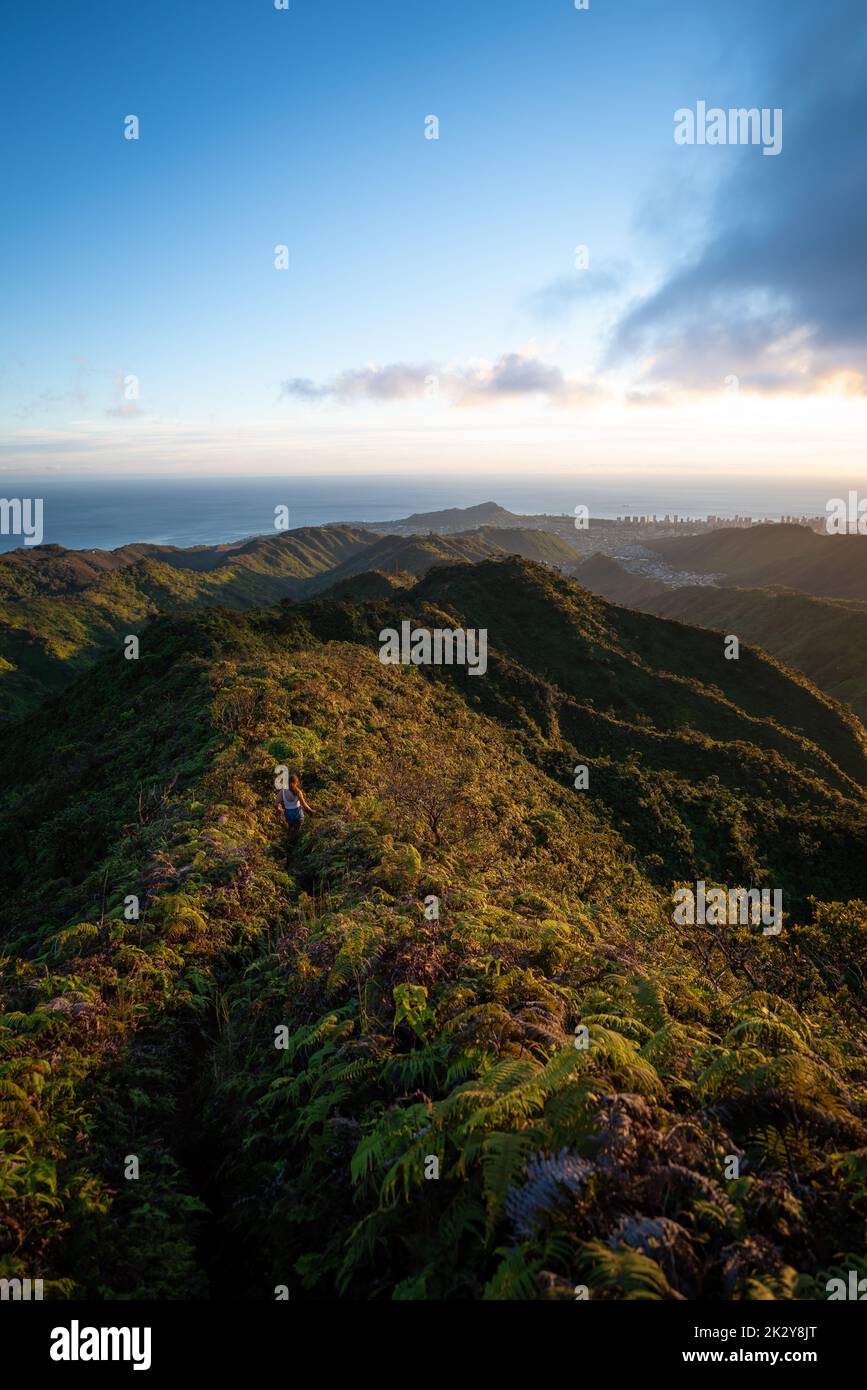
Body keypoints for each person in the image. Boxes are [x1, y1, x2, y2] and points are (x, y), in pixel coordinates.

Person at [276, 772, 314, 843]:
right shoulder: (298, 792)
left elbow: (276, 803)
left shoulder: (282, 792)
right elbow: (304, 804)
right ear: (296, 782)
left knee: (290, 829)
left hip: (288, 814)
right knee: (297, 831)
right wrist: (311, 811)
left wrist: (280, 809)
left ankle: (288, 844)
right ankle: (295, 845)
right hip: (297, 813)